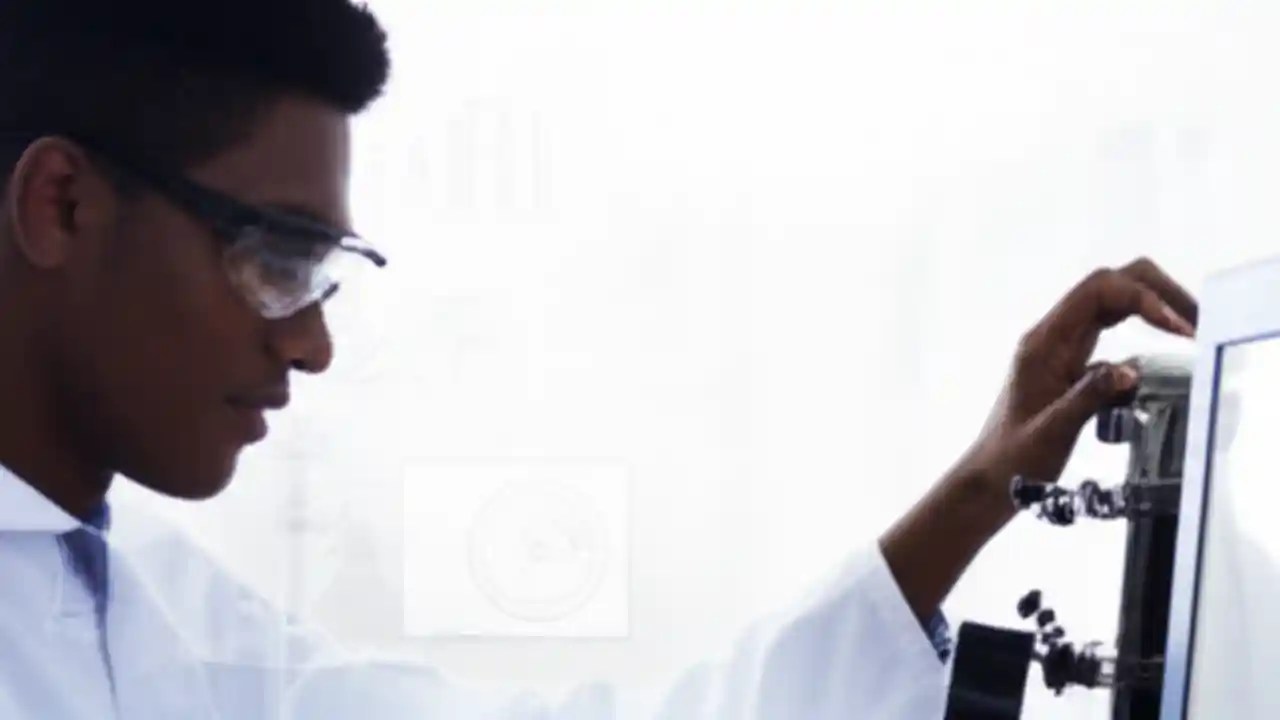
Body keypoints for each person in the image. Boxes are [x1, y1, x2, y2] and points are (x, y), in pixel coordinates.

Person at [0, 0, 1200, 718]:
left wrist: (975, 492)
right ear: (61, 205)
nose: (310, 342)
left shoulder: (151, 608)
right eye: (273, 257)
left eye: (322, 276)